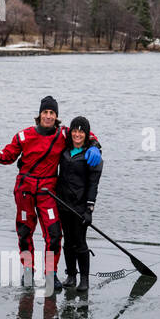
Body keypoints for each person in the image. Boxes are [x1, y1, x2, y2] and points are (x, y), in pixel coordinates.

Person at [0, 95, 100, 293]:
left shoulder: (63, 135)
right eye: (45, 112)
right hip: (24, 191)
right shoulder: (23, 136)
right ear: (39, 114)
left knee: (53, 235)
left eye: (52, 113)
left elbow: (84, 132)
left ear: (56, 116)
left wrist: (95, 146)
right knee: (25, 234)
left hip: (48, 193)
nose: (49, 116)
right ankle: (28, 272)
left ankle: (51, 274)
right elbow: (7, 156)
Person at [56, 116, 102, 292]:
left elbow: (93, 185)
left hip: (80, 206)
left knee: (80, 242)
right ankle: (71, 275)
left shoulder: (92, 156)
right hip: (62, 203)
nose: (77, 134)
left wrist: (89, 209)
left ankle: (84, 279)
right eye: (75, 130)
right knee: (67, 242)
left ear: (86, 134)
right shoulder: (65, 151)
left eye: (81, 131)